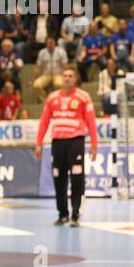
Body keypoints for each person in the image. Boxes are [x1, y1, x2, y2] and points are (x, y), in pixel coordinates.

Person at [35, 66, 99, 227]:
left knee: (77, 178)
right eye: (64, 76)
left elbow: (91, 122)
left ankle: (75, 215)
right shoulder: (52, 98)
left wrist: (94, 145)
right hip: (57, 142)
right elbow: (44, 121)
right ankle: (62, 214)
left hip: (76, 141)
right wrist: (39, 143)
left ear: (75, 78)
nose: (67, 78)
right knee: (59, 178)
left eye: (70, 76)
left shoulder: (83, 97)